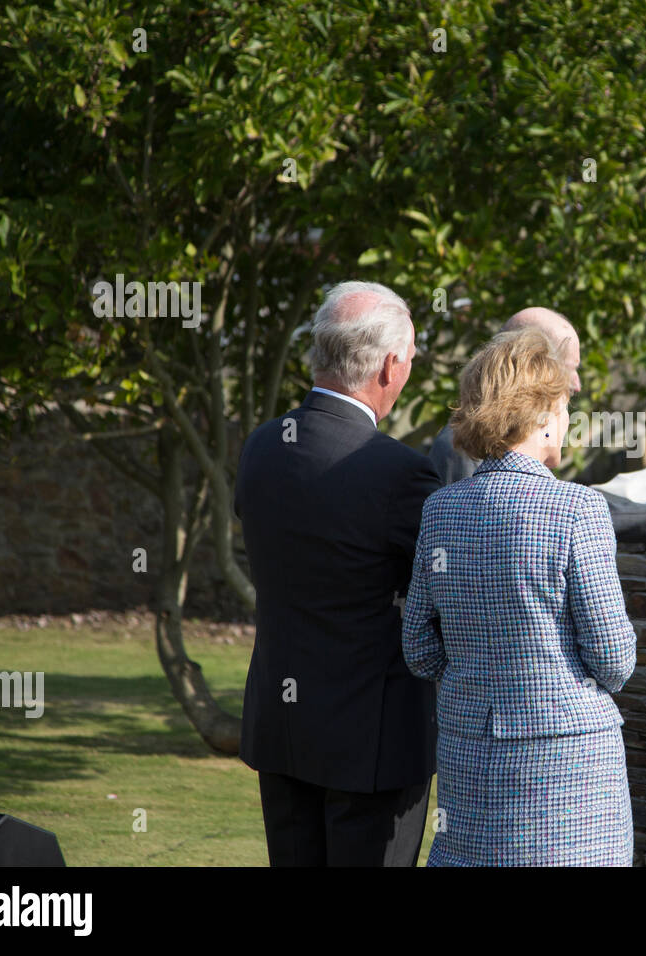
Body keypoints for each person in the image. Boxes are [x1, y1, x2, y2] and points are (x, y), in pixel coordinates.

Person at [403, 327, 637, 865]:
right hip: (569, 773)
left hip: (469, 758)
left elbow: (418, 647)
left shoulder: (441, 511)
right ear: (543, 414)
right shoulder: (578, 510)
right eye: (562, 405)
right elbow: (614, 659)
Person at [235, 281, 441, 866]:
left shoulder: (261, 447)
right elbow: (451, 586)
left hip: (282, 729)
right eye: (409, 364)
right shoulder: (398, 473)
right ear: (389, 366)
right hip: (371, 746)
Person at [428, 307, 646, 541]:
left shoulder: (495, 446)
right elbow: (541, 523)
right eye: (571, 368)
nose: (578, 384)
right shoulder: (460, 448)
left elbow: (559, 511)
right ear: (534, 366)